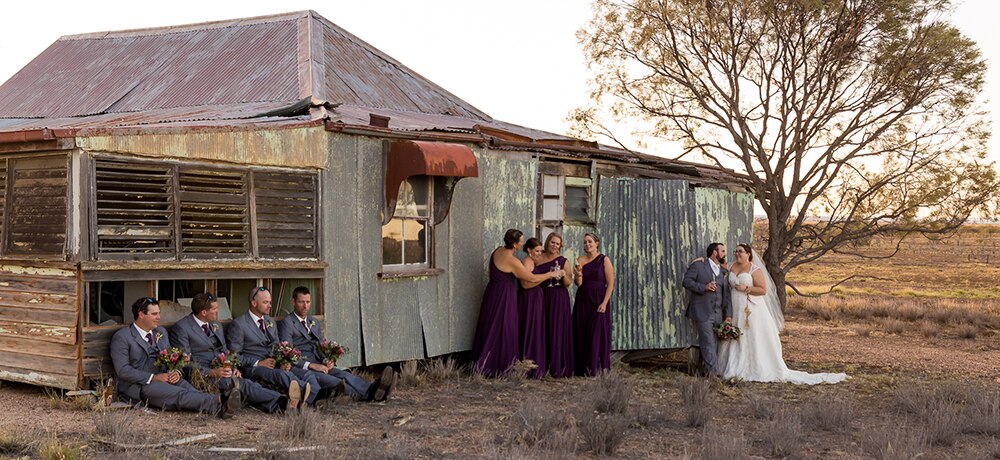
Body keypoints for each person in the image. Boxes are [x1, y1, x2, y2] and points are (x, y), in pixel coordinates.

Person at [716, 244, 847, 384]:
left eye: (740, 251)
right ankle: (734, 365)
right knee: (735, 334)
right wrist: (700, 260)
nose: (737, 254)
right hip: (734, 307)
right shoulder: (731, 266)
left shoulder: (755, 269)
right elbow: (715, 264)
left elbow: (762, 290)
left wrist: (746, 288)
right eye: (735, 251)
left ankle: (754, 366)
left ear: (748, 254)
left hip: (751, 309)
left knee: (752, 335)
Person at [109, 297, 231, 417]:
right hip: (141, 385)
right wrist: (153, 377)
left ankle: (220, 406)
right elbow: (123, 370)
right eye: (154, 314)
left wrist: (176, 371)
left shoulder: (160, 333)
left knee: (191, 391)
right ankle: (220, 402)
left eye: (159, 313)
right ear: (141, 314)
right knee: (180, 395)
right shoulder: (123, 337)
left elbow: (172, 358)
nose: (159, 317)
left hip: (166, 377)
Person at [171, 293, 288, 414]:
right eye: (215, 309)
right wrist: (211, 372)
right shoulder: (182, 328)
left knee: (245, 382)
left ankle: (277, 405)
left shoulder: (215, 324)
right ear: (204, 312)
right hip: (203, 374)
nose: (218, 312)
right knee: (238, 384)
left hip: (222, 368)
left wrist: (232, 366)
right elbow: (184, 363)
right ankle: (281, 403)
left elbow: (224, 351)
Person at [278, 286, 397, 402]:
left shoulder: (313, 321)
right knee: (335, 382)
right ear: (293, 302)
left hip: (319, 363)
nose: (305, 306)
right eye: (301, 302)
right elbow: (287, 354)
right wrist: (311, 365)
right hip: (303, 367)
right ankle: (372, 394)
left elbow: (320, 346)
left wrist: (326, 360)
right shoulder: (287, 323)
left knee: (344, 375)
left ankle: (374, 388)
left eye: (308, 302)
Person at [472, 229, 564, 377]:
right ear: (515, 244)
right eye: (521, 241)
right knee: (504, 328)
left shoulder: (497, 251)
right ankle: (497, 365)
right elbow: (530, 279)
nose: (522, 243)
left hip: (492, 291)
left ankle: (482, 361)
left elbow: (490, 273)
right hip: (505, 295)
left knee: (489, 325)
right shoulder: (513, 261)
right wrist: (551, 274)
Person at [227, 286, 317, 410]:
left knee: (307, 375)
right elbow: (234, 356)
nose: (270, 305)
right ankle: (302, 400)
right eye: (265, 302)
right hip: (253, 367)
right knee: (283, 376)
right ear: (254, 303)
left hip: (274, 364)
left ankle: (302, 402)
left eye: (270, 302)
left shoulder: (270, 321)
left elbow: (277, 346)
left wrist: (283, 361)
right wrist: (259, 363)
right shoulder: (239, 324)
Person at [683, 242, 733, 377]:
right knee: (708, 342)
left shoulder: (723, 271)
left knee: (716, 343)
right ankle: (712, 376)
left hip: (718, 313)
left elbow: (726, 296)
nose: (724, 254)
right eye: (722, 251)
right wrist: (703, 287)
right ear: (715, 252)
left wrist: (728, 315)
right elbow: (686, 282)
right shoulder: (698, 265)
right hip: (702, 311)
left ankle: (708, 370)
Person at [572, 233, 615, 376]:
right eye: (585, 242)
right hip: (583, 299)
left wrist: (604, 302)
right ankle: (581, 368)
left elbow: (610, 284)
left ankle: (596, 368)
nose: (587, 244)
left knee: (597, 333)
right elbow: (579, 284)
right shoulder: (580, 260)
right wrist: (578, 274)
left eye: (590, 241)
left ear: (596, 243)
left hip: (599, 300)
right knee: (581, 332)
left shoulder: (604, 259)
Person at [538, 232, 573, 378]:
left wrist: (563, 274)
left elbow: (568, 283)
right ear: (547, 242)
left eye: (557, 243)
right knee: (541, 329)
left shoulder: (563, 261)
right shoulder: (538, 258)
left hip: (558, 298)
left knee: (556, 329)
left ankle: (557, 366)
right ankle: (541, 364)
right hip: (541, 296)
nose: (554, 245)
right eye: (552, 242)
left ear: (560, 246)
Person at [517, 238, 547, 379]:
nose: (539, 254)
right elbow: (525, 284)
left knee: (535, 329)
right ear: (529, 250)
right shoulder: (526, 262)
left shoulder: (532, 262)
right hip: (529, 299)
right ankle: (527, 367)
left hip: (535, 298)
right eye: (536, 251)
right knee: (530, 328)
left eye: (541, 251)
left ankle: (534, 365)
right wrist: (547, 276)